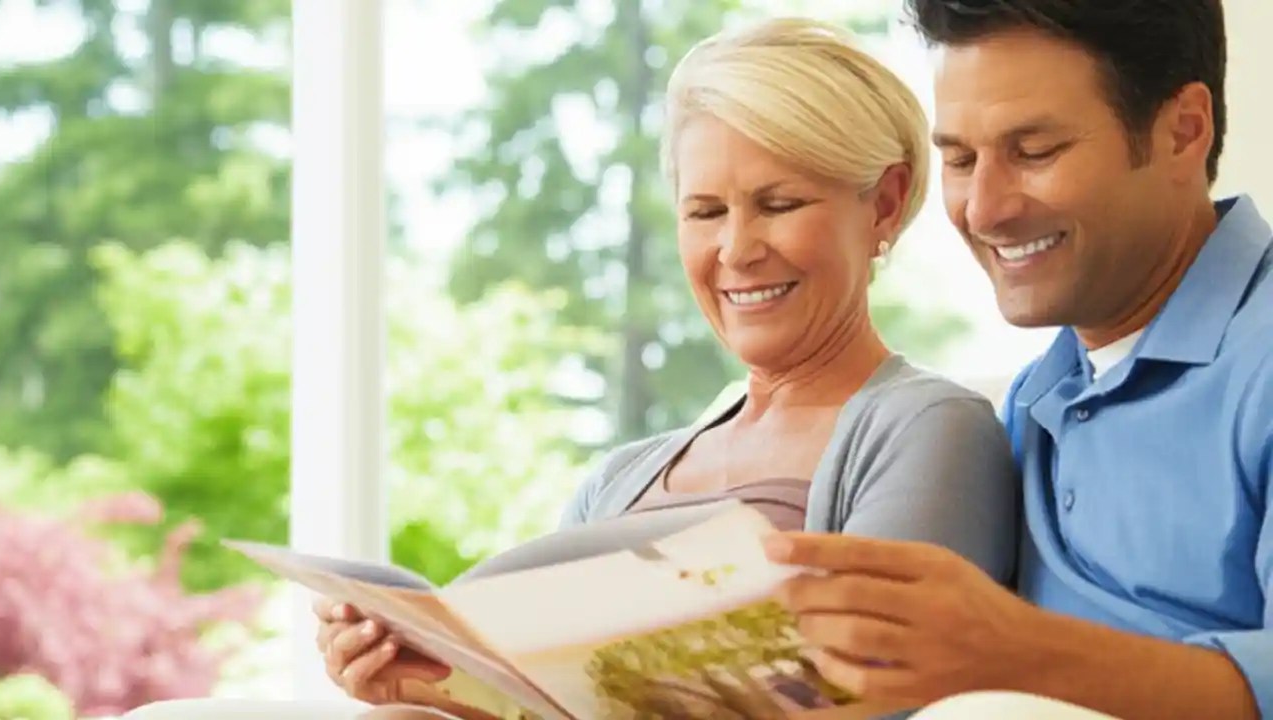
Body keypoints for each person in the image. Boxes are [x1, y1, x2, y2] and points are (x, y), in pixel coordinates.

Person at [311, 18, 1019, 719]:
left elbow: (876, 694)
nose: (736, 250)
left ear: (885, 205)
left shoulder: (928, 427)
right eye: (705, 212)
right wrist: (426, 680)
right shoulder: (617, 482)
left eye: (779, 204)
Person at [764, 1, 1272, 719]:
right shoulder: (1034, 403)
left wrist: (1020, 651)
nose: (984, 209)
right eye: (961, 160)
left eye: (1035, 152)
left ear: (1181, 132)